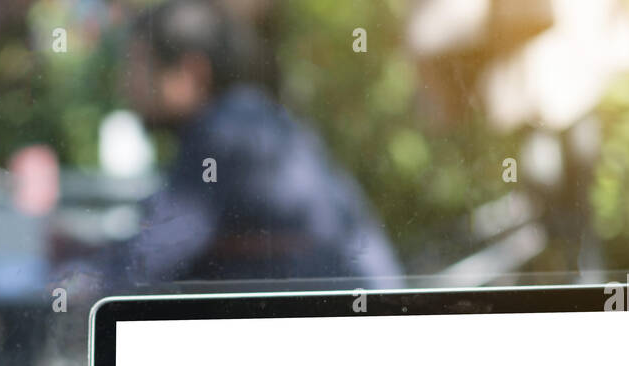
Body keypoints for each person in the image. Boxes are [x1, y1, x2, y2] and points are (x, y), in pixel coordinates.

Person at [68, 0, 402, 290]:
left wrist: (65, 281)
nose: (126, 84)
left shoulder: (227, 134)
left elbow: (154, 257)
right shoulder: (244, 120)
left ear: (191, 73)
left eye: (137, 64)